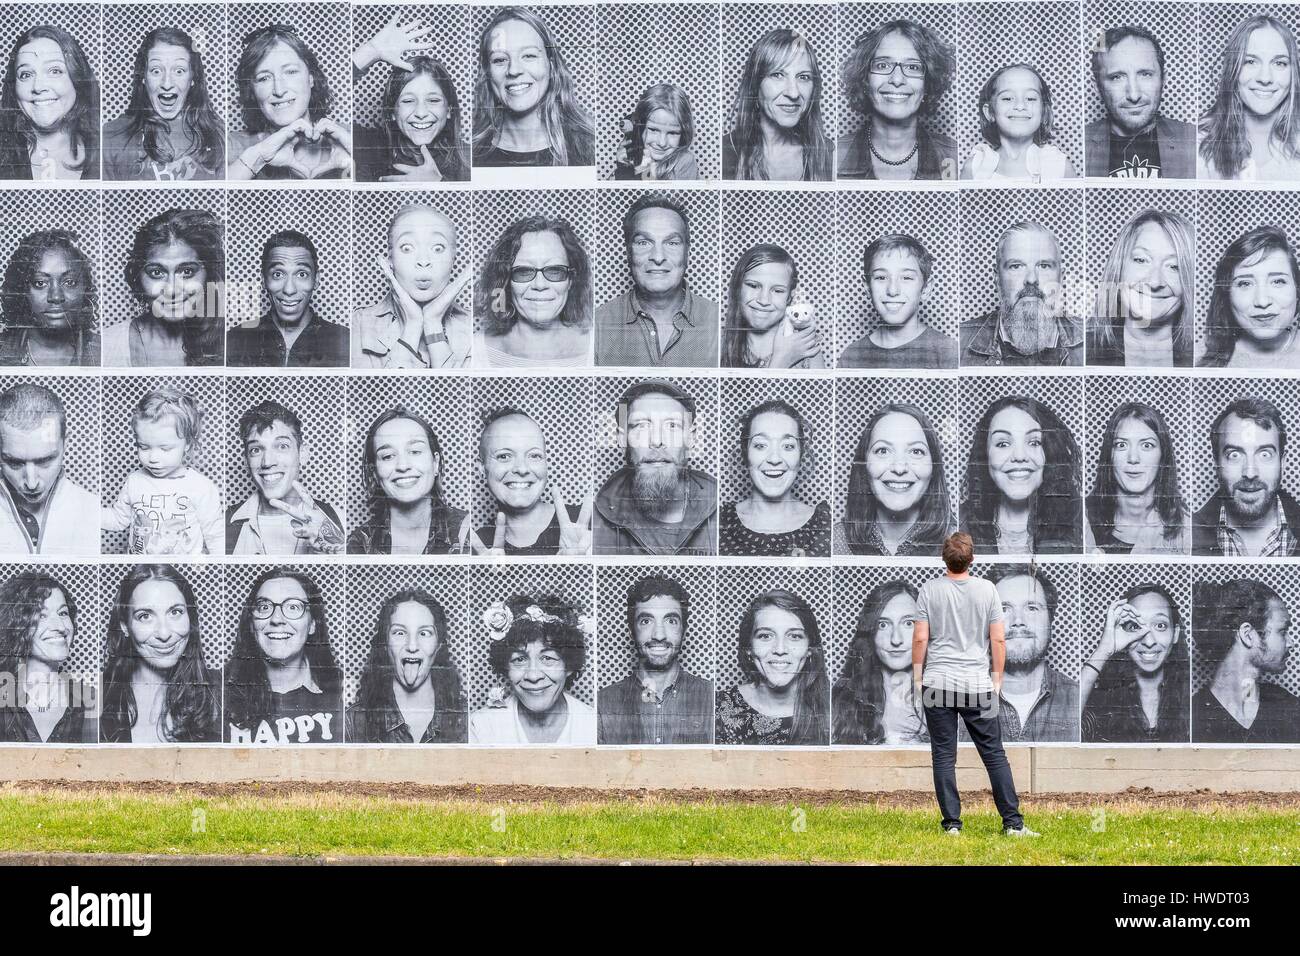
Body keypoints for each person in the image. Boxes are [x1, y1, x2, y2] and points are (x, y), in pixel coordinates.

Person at [911, 533, 1035, 835]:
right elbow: (998, 639)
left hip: (936, 684)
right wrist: (997, 680)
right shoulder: (987, 590)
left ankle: (952, 825)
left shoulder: (929, 590)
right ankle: (1013, 824)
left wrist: (917, 676)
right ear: (972, 558)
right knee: (994, 754)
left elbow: (920, 638)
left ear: (944, 559)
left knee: (943, 754)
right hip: (978, 686)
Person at [593, 380, 717, 556]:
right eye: (642, 425)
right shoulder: (594, 523)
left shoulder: (720, 509)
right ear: (622, 439)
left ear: (691, 438)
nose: (657, 440)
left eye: (672, 425)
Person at [595, 194, 719, 368]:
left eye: (672, 243)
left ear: (687, 252)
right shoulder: (597, 324)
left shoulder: (719, 322)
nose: (658, 257)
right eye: (644, 243)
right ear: (628, 252)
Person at [100, 564, 221, 742]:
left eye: (175, 612)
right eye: (145, 616)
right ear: (125, 626)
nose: (164, 634)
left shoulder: (221, 691)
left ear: (190, 618)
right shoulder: (95, 698)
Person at [224, 569, 343, 744]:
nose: (277, 619)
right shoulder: (216, 690)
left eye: (293, 607)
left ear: (312, 624)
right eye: (264, 607)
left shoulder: (343, 692)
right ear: (251, 624)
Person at [101, 387, 223, 556]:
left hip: (184, 573)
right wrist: (85, 510)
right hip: (141, 572)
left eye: (165, 449)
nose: (153, 458)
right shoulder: (135, 480)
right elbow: (118, 520)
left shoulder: (201, 486)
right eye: (143, 447)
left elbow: (215, 535)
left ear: (187, 443)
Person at [352, 14, 469, 182]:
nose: (421, 112)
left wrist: (440, 184)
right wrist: (370, 51)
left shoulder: (469, 160)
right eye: (408, 101)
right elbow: (322, 96)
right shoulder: (369, 148)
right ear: (392, 111)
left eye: (433, 100)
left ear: (449, 110)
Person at [597, 574, 713, 745]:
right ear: (631, 631)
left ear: (683, 630)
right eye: (646, 621)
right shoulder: (603, 704)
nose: (659, 635)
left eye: (671, 621)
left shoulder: (712, 697)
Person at [458, 407, 590, 557]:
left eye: (534, 455)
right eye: (504, 456)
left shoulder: (585, 528)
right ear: (482, 468)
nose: (521, 468)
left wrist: (582, 567)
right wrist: (486, 578)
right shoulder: (476, 547)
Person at [352, 204, 472, 369]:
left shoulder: (473, 327)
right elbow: (382, 393)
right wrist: (413, 324)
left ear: (453, 259)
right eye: (407, 248)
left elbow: (453, 394)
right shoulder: (360, 323)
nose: (423, 260)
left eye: (438, 248)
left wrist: (433, 323)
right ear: (390, 260)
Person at [472, 7, 594, 167]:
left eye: (529, 56)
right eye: (500, 59)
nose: (514, 70)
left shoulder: (590, 147)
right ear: (487, 72)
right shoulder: (471, 156)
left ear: (551, 65)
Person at [102, 208, 225, 368]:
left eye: (187, 272)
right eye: (157, 272)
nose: (172, 290)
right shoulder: (106, 346)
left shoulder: (232, 344)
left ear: (208, 275)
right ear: (139, 277)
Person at [837, 19, 958, 181]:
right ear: (865, 78)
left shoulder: (954, 156)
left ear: (928, 83)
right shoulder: (832, 157)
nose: (897, 79)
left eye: (913, 67)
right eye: (883, 65)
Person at [228, 24, 352, 180]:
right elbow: (211, 198)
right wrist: (257, 157)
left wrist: (359, 158)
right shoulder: (232, 147)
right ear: (251, 89)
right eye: (264, 78)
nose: (279, 90)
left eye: (291, 72)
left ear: (311, 78)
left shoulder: (351, 136)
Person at [469, 593, 596, 744]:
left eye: (548, 658)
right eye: (520, 659)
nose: (533, 676)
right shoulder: (481, 727)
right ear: (506, 668)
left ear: (568, 666)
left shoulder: (594, 725)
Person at [962, 395, 1082, 555]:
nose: (1019, 456)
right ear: (985, 455)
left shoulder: (1078, 518)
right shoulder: (959, 523)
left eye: (1034, 442)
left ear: (1049, 453)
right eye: (1003, 443)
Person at [102, 26, 224, 181]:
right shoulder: (111, 137)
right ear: (144, 77)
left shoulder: (217, 134)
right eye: (156, 71)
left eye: (179, 71)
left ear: (193, 77)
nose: (167, 83)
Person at [346, 588, 468, 743]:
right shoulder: (352, 723)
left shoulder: (468, 720)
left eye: (424, 633)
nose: (412, 646)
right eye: (400, 633)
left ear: (439, 645)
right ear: (385, 644)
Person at [226, 400, 345, 556]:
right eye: (256, 450)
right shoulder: (223, 525)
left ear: (302, 454)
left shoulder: (339, 520)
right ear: (246, 460)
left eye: (282, 446)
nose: (267, 462)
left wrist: (337, 550)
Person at [835, 402, 954, 557]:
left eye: (916, 451)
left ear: (934, 466)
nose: (899, 468)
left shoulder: (957, 540)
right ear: (863, 464)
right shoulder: (835, 542)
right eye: (883, 450)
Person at [347, 405, 469, 556]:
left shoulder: (468, 532)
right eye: (388, 456)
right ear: (375, 473)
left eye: (415, 451)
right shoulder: (358, 546)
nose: (403, 466)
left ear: (435, 463)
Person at [473, 215, 592, 368]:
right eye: (523, 272)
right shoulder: (474, 351)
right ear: (506, 281)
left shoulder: (600, 346)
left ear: (571, 280)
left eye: (555, 271)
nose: (540, 284)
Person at [960, 221, 1084, 366]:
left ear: (1061, 278)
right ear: (997, 278)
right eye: (1016, 266)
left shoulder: (1089, 342)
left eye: (1044, 266)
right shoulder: (959, 343)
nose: (1031, 279)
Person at [715, 588, 829, 745]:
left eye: (794, 636)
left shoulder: (836, 712)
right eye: (765, 636)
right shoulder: (715, 708)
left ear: (810, 649)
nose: (780, 650)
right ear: (749, 648)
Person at [1192, 578, 1300, 743]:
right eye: (1282, 631)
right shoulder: (1193, 717)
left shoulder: (1289, 707)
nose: (1291, 643)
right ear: (1248, 635)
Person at [720, 399, 830, 557]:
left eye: (788, 446)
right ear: (745, 453)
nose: (774, 459)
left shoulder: (825, 525)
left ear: (801, 455)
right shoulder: (720, 523)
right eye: (761, 445)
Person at [1081, 583, 1188, 743]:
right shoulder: (1100, 705)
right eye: (1135, 626)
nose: (1149, 641)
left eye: (1160, 625)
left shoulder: (1193, 704)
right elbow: (1061, 727)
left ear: (1175, 634)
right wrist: (1104, 649)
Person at [1193, 397, 1300, 557]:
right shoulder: (1187, 534)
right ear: (1216, 464)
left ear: (1282, 462)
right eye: (1234, 455)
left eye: (1265, 454)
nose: (1250, 473)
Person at [983, 564, 1079, 742]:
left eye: (1032, 608)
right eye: (1003, 609)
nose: (1018, 621)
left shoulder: (1079, 699)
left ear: (1051, 621)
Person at [1198, 15, 1300, 181]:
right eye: (1251, 61)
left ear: (1293, 73)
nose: (1265, 78)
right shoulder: (1198, 148)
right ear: (1233, 69)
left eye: (1279, 63)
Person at [1085, 25, 1196, 179]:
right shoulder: (1078, 146)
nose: (1134, 95)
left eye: (1145, 74)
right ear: (1097, 86)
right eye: (1117, 77)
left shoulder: (1195, 141)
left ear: (1163, 79)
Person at [0, 383, 98, 555]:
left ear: (65, 443)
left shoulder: (92, 510)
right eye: (14, 462)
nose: (31, 483)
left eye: (45, 460)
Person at [1088, 209, 1195, 366]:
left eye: (1173, 266)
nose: (1154, 282)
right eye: (1141, 260)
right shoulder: (1084, 353)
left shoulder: (1202, 357)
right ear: (1119, 268)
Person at [723, 28, 832, 181]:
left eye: (803, 77)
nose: (793, 93)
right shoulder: (724, 152)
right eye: (778, 75)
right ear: (755, 85)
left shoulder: (829, 153)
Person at [227, 230, 348, 368]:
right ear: (263, 280)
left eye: (302, 274)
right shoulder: (234, 340)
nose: (289, 290)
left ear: (316, 280)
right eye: (278, 274)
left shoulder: (344, 341)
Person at [0, 571, 97, 742]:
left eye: (63, 613)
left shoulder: (90, 700)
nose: (60, 626)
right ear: (16, 624)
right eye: (42, 615)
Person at [837, 234, 957, 368]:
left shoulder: (949, 351)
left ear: (926, 288)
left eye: (906, 278)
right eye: (881, 277)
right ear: (867, 287)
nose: (893, 291)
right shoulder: (852, 355)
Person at [1085, 402, 1189, 554]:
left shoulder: (1186, 531)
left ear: (1162, 456)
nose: (1133, 458)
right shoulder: (1079, 519)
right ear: (1109, 455)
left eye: (1146, 445)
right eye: (1121, 445)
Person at [832, 580, 928, 745]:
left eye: (908, 623)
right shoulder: (842, 699)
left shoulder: (947, 694)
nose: (895, 639)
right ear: (870, 632)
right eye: (883, 624)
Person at [0, 25, 99, 180]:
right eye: (26, 74)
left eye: (55, 71)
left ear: (77, 79)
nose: (38, 87)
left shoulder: (108, 153)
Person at [1199, 225, 1300, 369]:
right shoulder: (1199, 358)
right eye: (1245, 283)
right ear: (1227, 295)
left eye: (1278, 281)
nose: (1262, 301)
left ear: (1297, 289)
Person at [0, 228, 100, 366]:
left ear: (85, 287)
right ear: (21, 290)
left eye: (69, 282)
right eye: (40, 283)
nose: (56, 296)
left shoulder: (104, 352)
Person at [961, 63, 1076, 181]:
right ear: (989, 112)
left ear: (1043, 111)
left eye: (1030, 98)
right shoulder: (974, 167)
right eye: (1007, 98)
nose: (1020, 106)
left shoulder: (1060, 167)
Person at [721, 244, 825, 369]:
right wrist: (781, 360)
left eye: (778, 291)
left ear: (790, 297)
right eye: (753, 286)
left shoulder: (807, 352)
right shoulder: (717, 346)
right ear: (738, 288)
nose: (764, 300)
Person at [612, 83, 699, 180]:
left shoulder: (685, 161)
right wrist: (623, 170)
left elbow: (661, 195)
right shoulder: (635, 157)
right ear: (639, 128)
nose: (662, 143)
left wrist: (641, 171)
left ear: (683, 133)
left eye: (672, 133)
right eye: (653, 130)